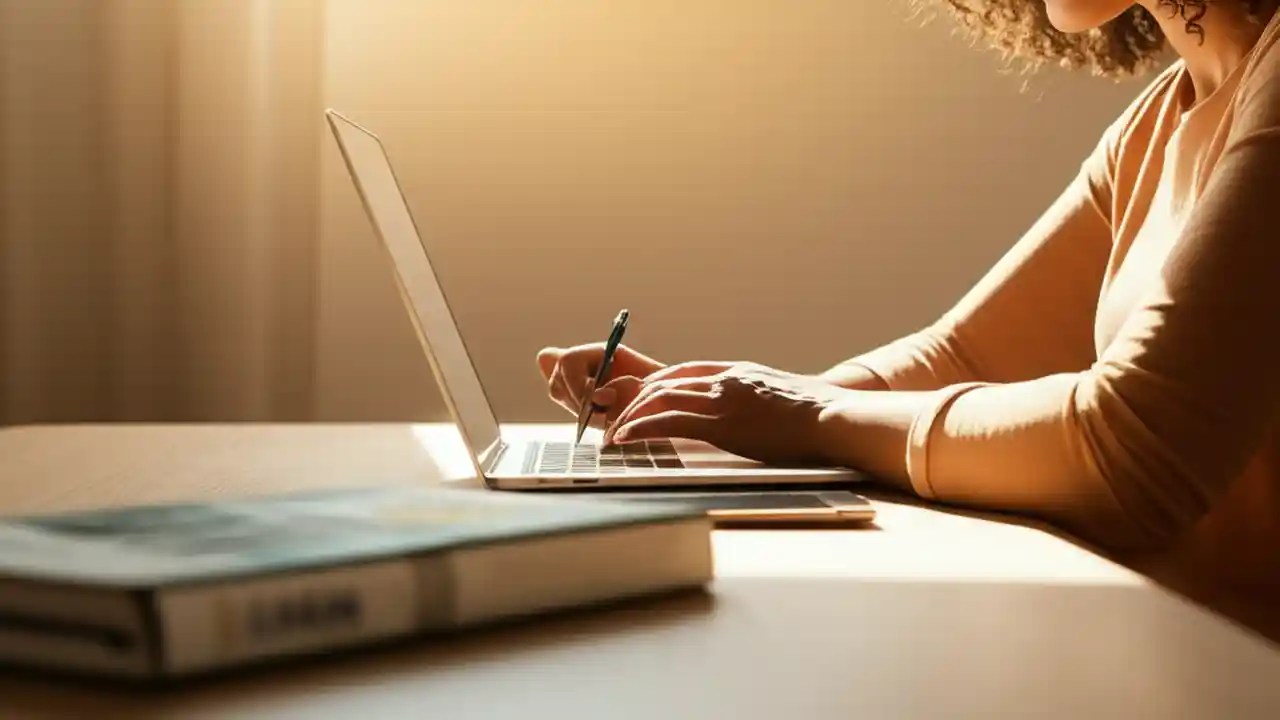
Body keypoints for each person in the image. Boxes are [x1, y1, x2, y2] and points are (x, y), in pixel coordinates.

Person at [537, 1, 1280, 637]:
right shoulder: (1161, 117)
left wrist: (803, 414)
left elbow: (1138, 452)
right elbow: (964, 357)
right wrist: (724, 409)